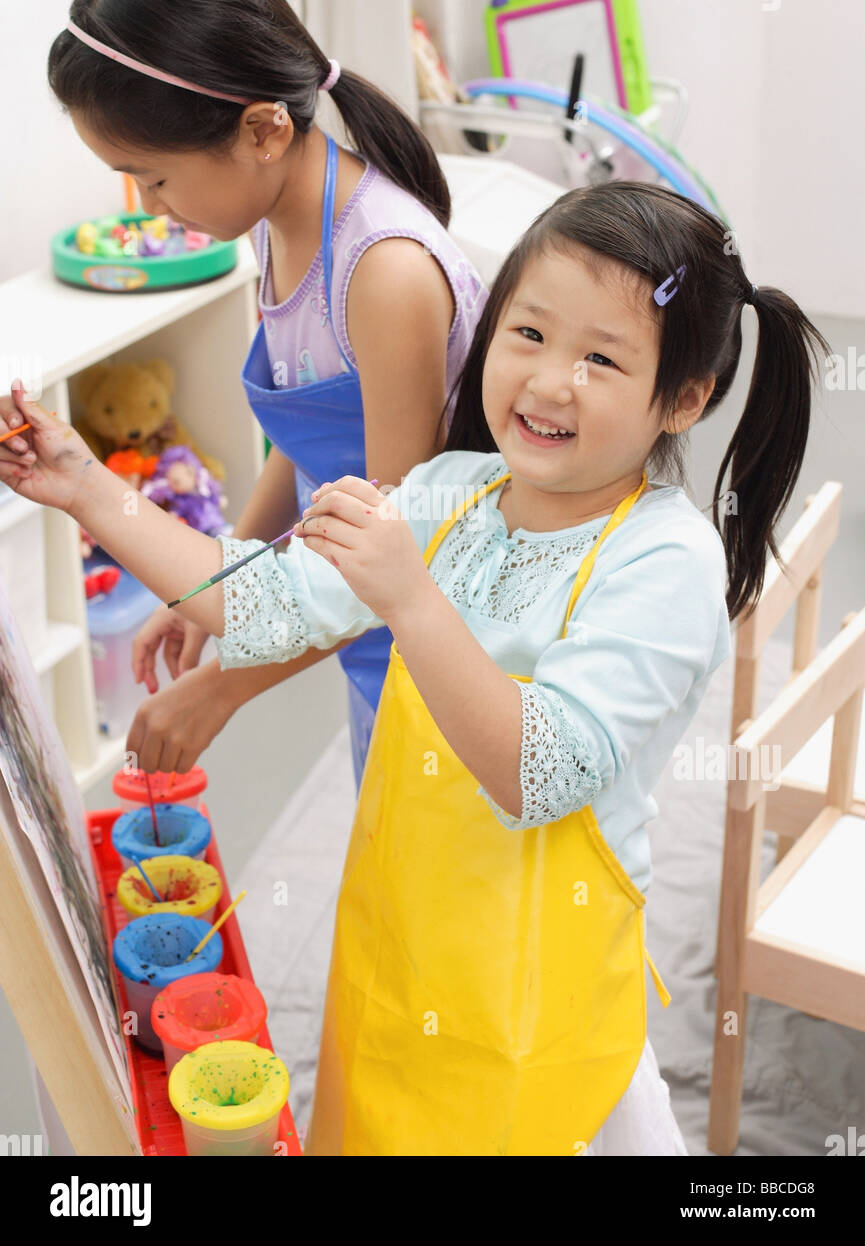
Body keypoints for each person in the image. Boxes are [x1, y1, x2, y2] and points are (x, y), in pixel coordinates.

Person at [0, 180, 832, 1155]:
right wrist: (91, 490)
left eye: (601, 357)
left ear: (682, 398)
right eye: (528, 333)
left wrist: (409, 598)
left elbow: (538, 772)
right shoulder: (449, 491)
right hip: (402, 939)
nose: (549, 380)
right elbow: (261, 602)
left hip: (536, 981)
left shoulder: (665, 560)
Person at [47, 0, 486, 789]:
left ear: (262, 129)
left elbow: (400, 561)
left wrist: (225, 686)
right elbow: (313, 436)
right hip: (364, 616)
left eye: (155, 179)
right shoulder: (275, 222)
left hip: (450, 643)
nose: (149, 207)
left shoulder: (384, 273)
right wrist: (220, 584)